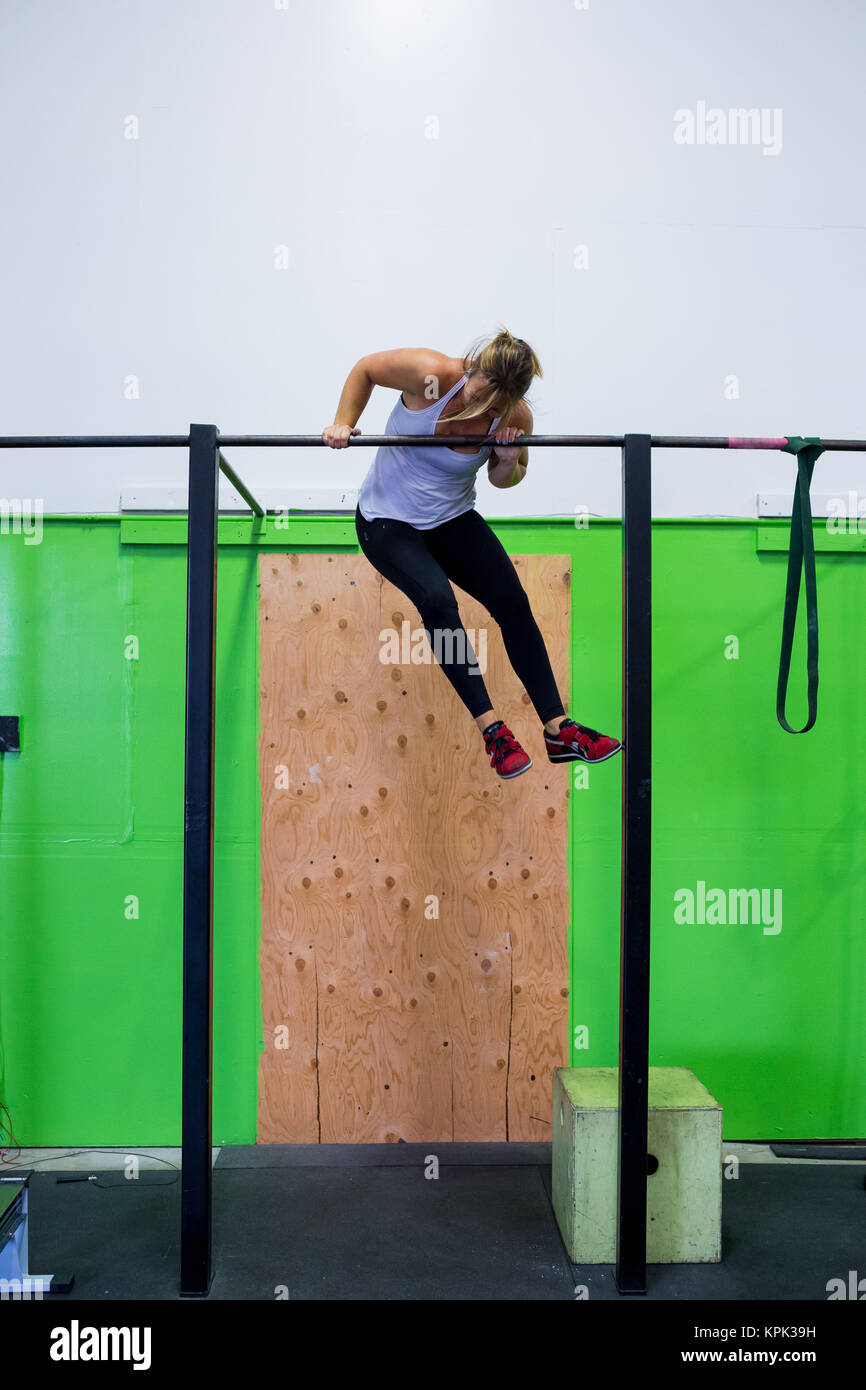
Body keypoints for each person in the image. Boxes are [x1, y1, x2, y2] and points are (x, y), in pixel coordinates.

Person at [322, 327, 622, 778]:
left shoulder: (515, 417)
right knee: (439, 601)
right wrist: (343, 421)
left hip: (452, 519)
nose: (486, 408)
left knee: (513, 604)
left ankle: (558, 729)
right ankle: (493, 731)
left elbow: (507, 479)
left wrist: (504, 461)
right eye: (483, 394)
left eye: (499, 404)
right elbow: (365, 369)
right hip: (387, 520)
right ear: (473, 368)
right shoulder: (430, 374)